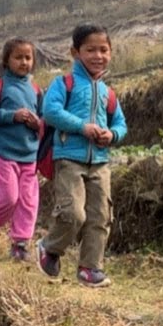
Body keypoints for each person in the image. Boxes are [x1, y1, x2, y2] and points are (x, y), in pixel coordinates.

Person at [36, 24, 127, 287]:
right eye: (90, 50)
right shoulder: (64, 84)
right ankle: (50, 248)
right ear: (75, 52)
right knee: (73, 214)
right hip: (68, 159)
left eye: (103, 50)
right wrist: (81, 127)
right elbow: (50, 111)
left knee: (100, 216)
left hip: (100, 163)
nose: (98, 56)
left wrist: (113, 135)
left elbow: (120, 123)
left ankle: (90, 268)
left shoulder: (109, 93)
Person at [0, 38, 43, 261]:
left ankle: (20, 245)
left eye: (28, 57)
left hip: (30, 155)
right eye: (18, 57)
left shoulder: (36, 89)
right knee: (9, 197)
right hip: (3, 153)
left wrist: (37, 124)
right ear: (7, 60)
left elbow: (45, 122)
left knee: (28, 200)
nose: (24, 62)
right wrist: (11, 116)